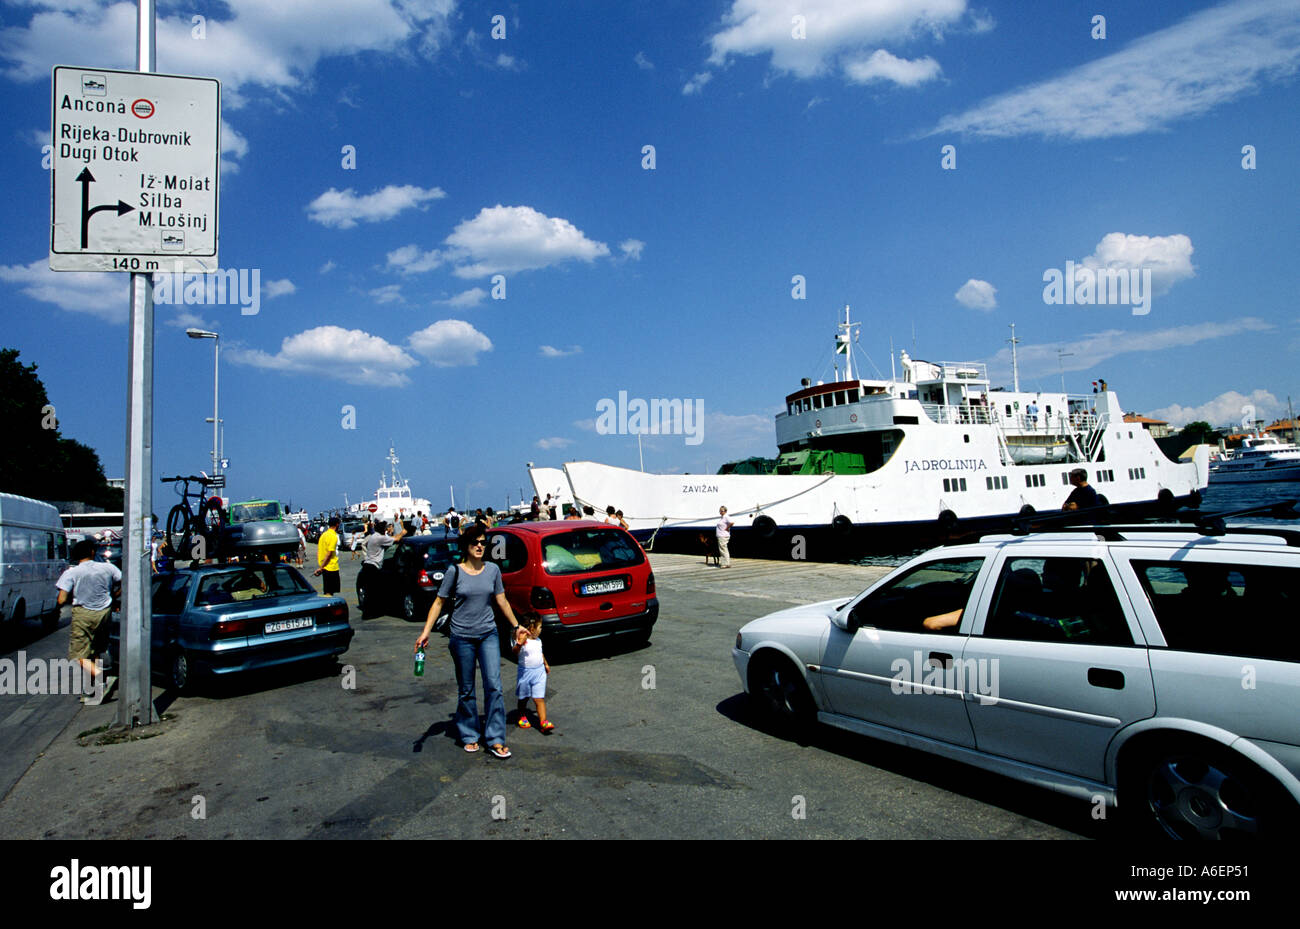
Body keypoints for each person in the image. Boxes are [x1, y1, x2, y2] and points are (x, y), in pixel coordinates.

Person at [415, 523, 523, 759]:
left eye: (483, 543)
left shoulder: (493, 570)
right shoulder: (455, 571)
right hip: (461, 637)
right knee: (466, 689)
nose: (480, 546)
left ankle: (495, 738)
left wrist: (516, 626)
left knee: (494, 685)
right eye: (475, 542)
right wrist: (425, 632)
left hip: (488, 634)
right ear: (465, 545)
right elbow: (439, 602)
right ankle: (469, 734)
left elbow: (502, 601)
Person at [56, 539, 121, 705]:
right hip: (104, 613)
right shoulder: (108, 568)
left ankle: (101, 678)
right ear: (92, 552)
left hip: (83, 614)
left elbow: (61, 599)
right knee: (97, 651)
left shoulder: (72, 572)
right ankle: (94, 691)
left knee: (78, 655)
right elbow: (123, 580)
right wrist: (113, 596)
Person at [512, 615, 553, 733]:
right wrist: (519, 643)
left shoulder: (538, 641)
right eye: (540, 627)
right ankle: (521, 715)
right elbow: (515, 651)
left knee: (539, 698)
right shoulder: (522, 641)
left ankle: (543, 721)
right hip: (525, 673)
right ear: (532, 629)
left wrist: (545, 664)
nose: (541, 629)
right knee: (524, 697)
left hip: (539, 672)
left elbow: (540, 654)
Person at [359, 519, 406, 615]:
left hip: (367, 566)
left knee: (370, 590)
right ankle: (372, 612)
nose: (386, 530)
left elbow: (392, 538)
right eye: (385, 529)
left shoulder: (375, 536)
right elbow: (396, 539)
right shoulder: (380, 538)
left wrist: (395, 534)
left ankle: (370, 611)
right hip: (372, 567)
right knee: (374, 590)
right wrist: (403, 532)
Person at [314, 516, 342, 594]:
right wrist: (321, 567)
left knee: (327, 590)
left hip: (324, 566)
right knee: (329, 592)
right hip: (331, 567)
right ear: (337, 524)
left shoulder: (323, 535)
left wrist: (321, 566)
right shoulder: (333, 536)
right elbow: (329, 553)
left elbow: (319, 551)